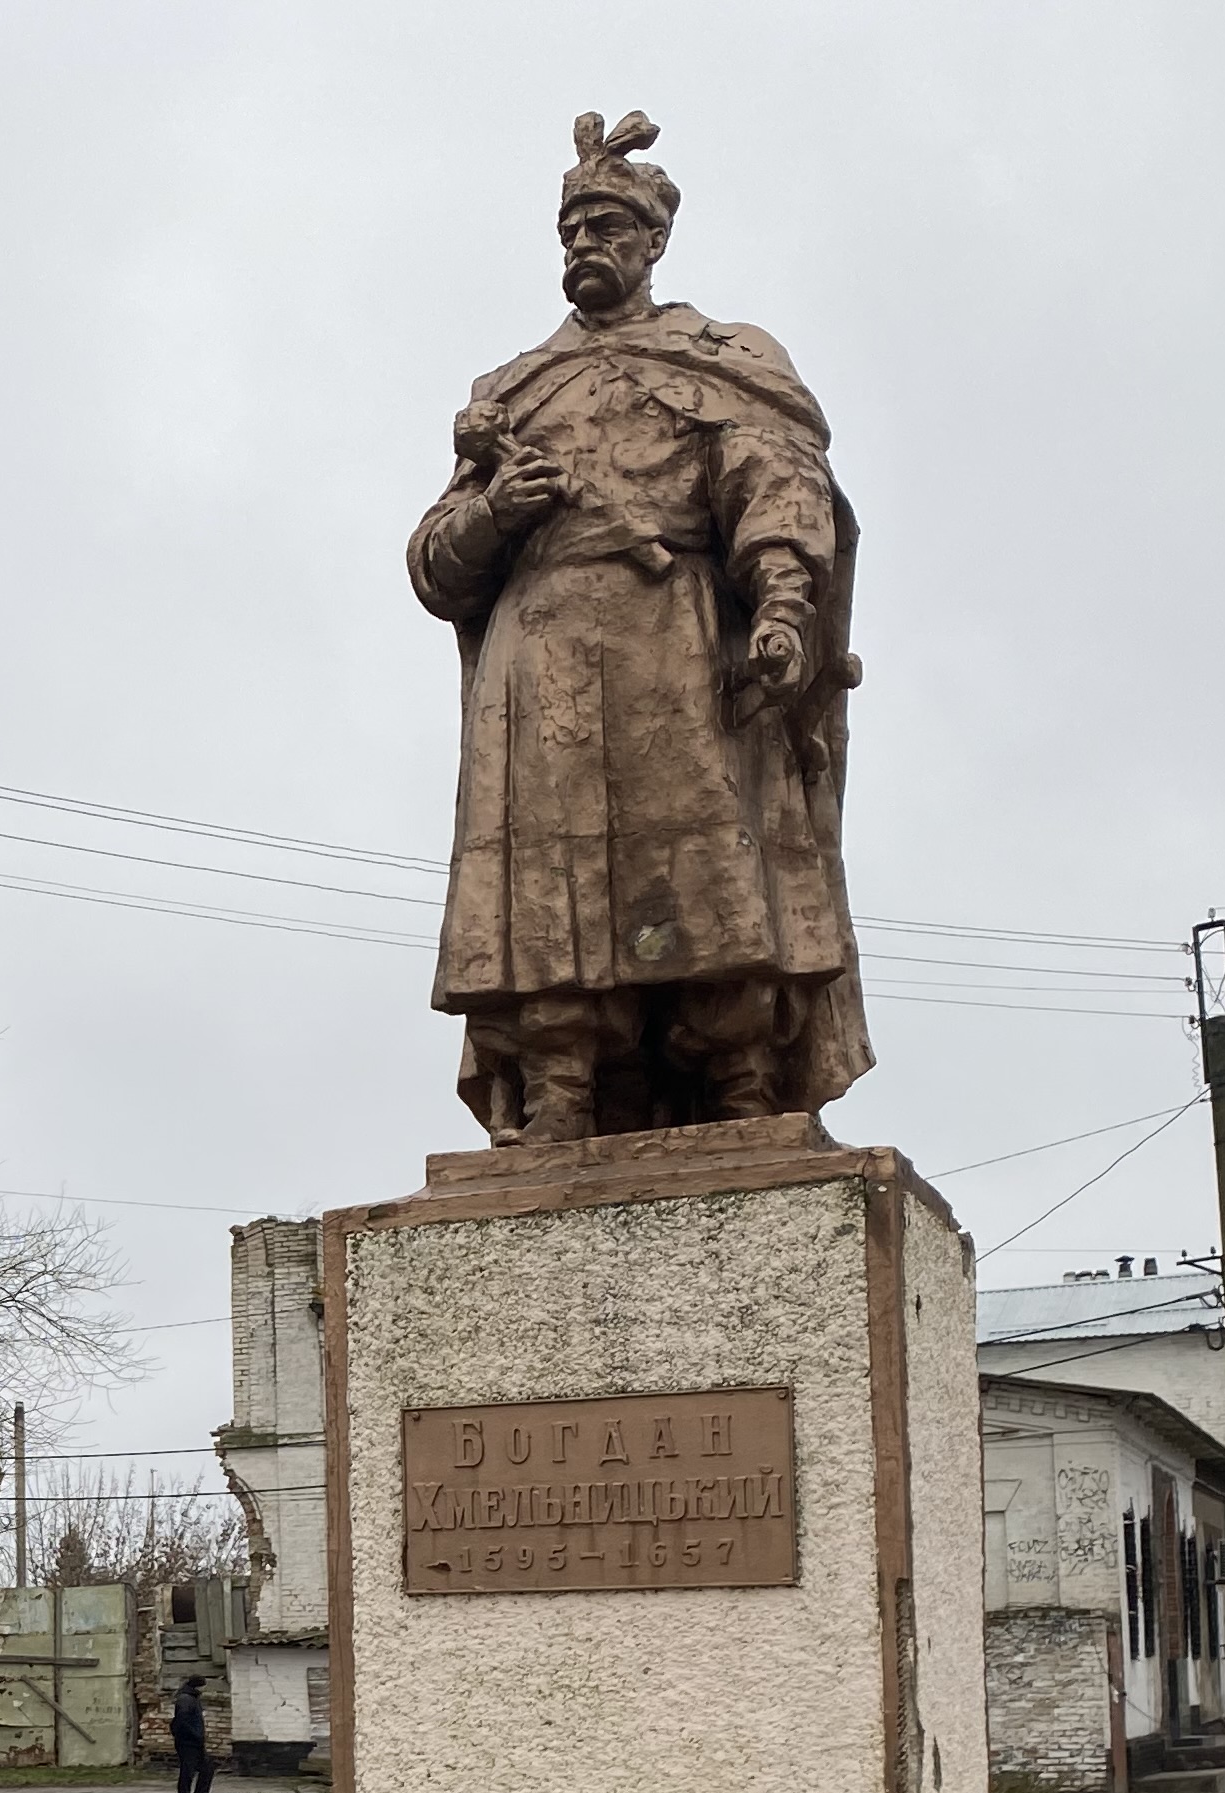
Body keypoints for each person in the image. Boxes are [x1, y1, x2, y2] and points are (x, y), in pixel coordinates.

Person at [409, 110, 870, 1144]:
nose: (586, 243)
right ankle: (560, 1085)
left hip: (681, 645)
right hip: (541, 664)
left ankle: (743, 1082)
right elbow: (436, 566)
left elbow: (776, 489)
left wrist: (783, 606)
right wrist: (497, 510)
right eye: (572, 229)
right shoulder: (512, 393)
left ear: (654, 240)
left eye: (608, 225)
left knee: (709, 866)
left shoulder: (722, 361)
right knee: (546, 882)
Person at [171, 1677, 217, 1793]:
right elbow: (181, 1721)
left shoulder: (191, 1698)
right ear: (198, 1686)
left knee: (207, 1768)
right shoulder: (186, 1699)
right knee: (187, 1773)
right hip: (188, 1742)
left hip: (195, 1742)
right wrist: (195, 1735)